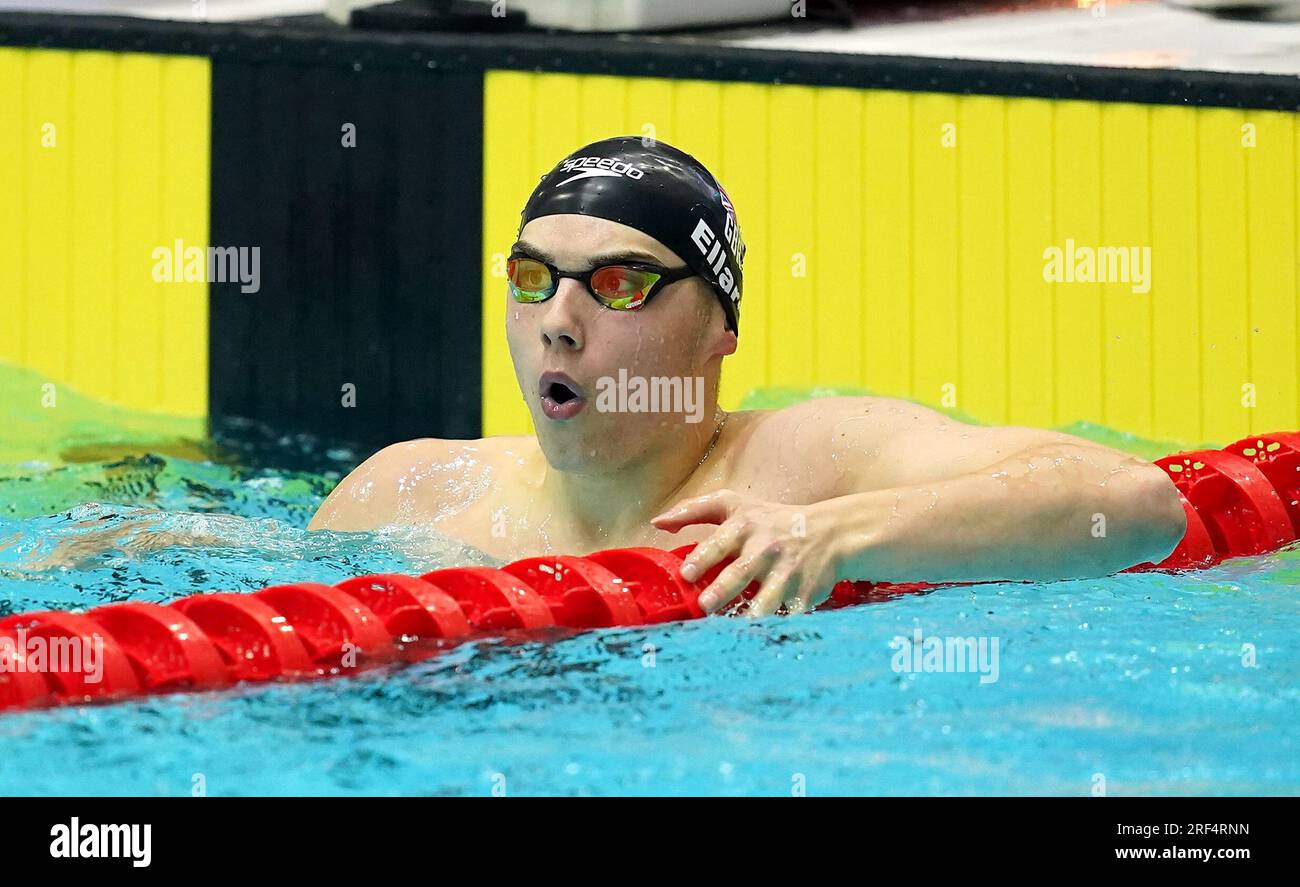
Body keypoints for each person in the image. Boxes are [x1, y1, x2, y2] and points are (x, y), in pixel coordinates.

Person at [308, 135, 1186, 617]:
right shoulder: (409, 487)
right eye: (533, 280)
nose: (558, 324)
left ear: (720, 327)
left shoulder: (813, 463)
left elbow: (1136, 500)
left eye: (619, 283)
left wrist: (837, 534)